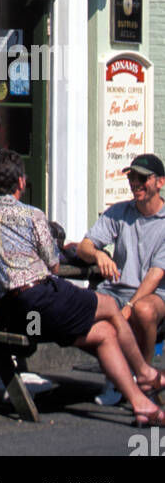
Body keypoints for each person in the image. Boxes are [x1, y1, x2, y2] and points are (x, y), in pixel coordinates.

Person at [0, 148, 165, 427]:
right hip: (39, 303)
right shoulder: (32, 215)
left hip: (13, 315)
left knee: (106, 332)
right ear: (21, 182)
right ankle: (144, 372)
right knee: (109, 306)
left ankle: (140, 403)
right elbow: (54, 266)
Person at [77, 152, 165, 405]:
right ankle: (117, 375)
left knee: (144, 311)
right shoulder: (119, 212)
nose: (135, 182)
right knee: (71, 315)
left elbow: (155, 275)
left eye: (142, 178)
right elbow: (84, 246)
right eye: (132, 177)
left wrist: (128, 307)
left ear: (160, 182)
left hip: (154, 293)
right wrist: (98, 255)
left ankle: (143, 376)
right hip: (114, 292)